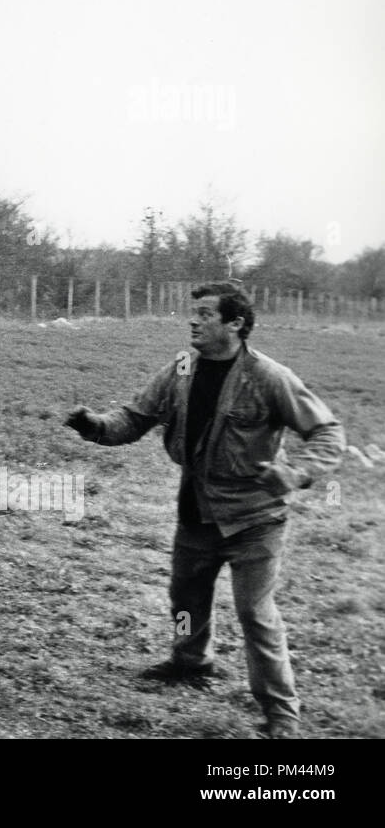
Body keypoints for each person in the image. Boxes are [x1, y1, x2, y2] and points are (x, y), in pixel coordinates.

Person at [64, 281, 343, 739]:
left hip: (255, 518)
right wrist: (95, 427)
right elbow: (135, 418)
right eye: (192, 312)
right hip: (195, 509)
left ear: (235, 324)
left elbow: (328, 433)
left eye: (205, 314)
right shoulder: (181, 367)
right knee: (185, 599)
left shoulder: (270, 376)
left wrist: (295, 473)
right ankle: (190, 660)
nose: (192, 320)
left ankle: (281, 715)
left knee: (255, 613)